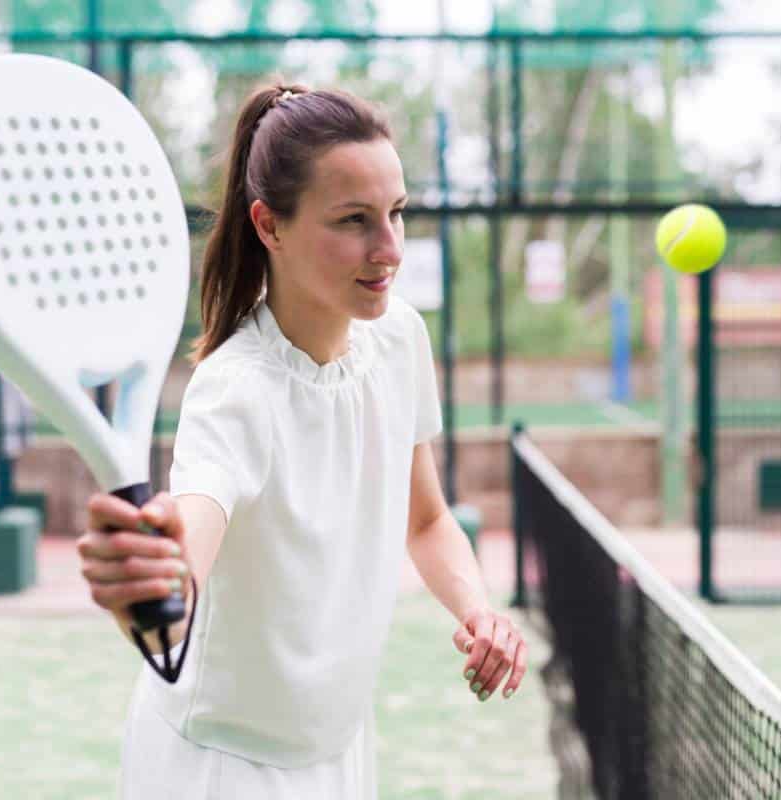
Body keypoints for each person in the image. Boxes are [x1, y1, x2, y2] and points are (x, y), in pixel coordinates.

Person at [75, 84, 528, 798]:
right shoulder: (234, 390)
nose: (389, 249)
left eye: (396, 214)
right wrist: (151, 576)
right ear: (269, 225)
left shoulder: (401, 338)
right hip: (220, 768)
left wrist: (479, 610)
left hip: (339, 750)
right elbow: (184, 566)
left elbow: (427, 519)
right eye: (354, 220)